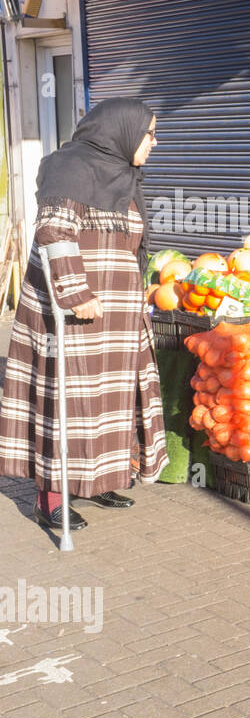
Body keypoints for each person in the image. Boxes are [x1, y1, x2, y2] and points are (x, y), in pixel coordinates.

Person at [0, 97, 167, 534]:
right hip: (72, 314)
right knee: (70, 403)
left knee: (110, 404)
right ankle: (50, 498)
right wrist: (76, 294)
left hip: (116, 317)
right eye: (149, 133)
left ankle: (98, 481)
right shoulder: (69, 167)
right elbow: (54, 231)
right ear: (123, 130)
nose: (154, 141)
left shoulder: (123, 175)